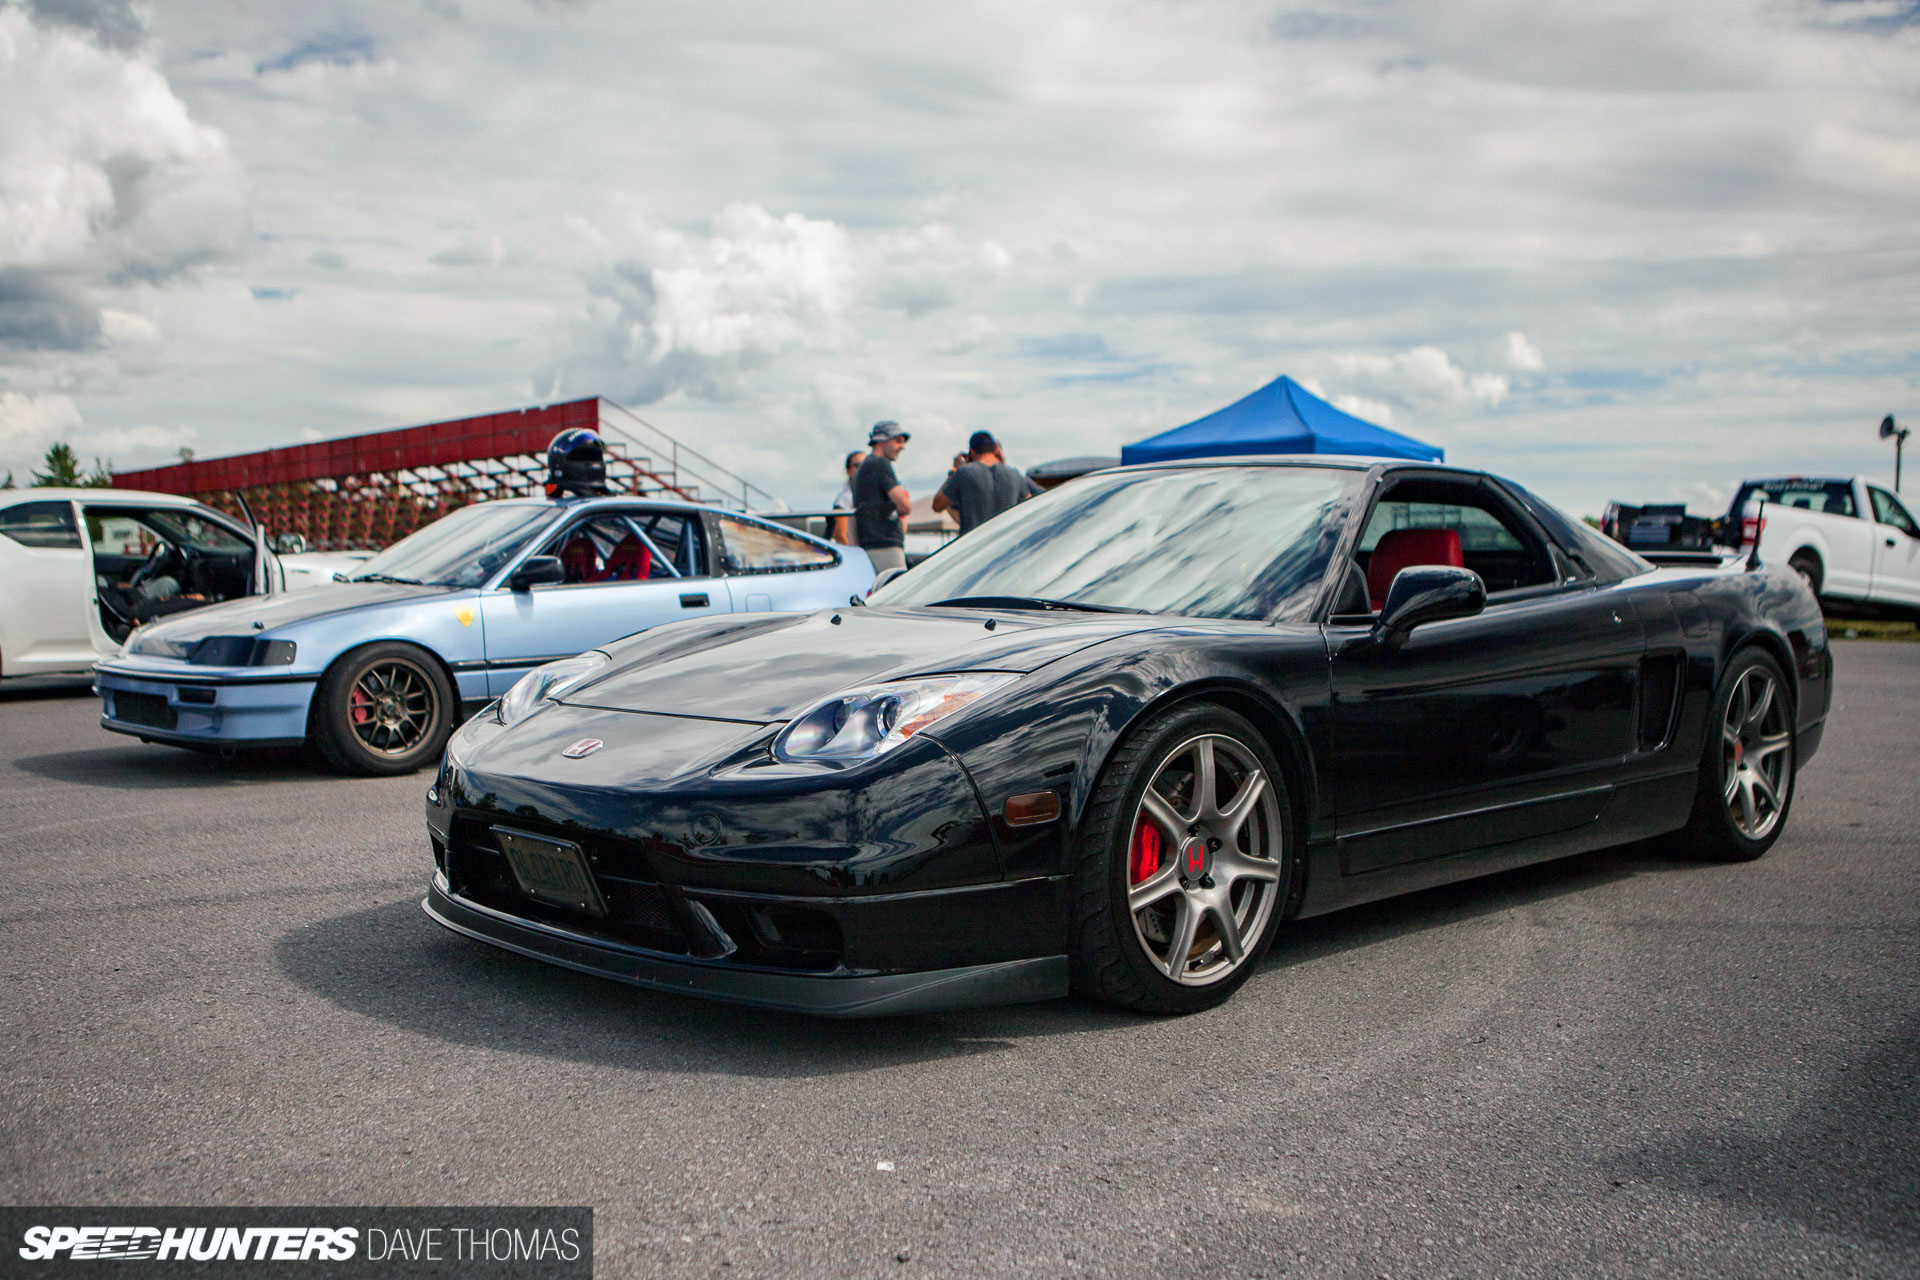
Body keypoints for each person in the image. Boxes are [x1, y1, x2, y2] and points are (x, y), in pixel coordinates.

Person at [932, 430, 1042, 534]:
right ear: (996, 450)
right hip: (1006, 547)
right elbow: (1030, 507)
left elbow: (937, 505)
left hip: (974, 547)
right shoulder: (1015, 475)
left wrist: (954, 471)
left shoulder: (963, 473)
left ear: (972, 452)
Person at [851, 422, 912, 576]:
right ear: (881, 441)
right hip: (886, 546)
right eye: (897, 440)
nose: (902, 446)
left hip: (872, 545)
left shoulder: (865, 466)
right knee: (897, 595)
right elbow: (905, 506)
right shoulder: (880, 464)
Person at [831, 449, 865, 545]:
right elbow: (840, 535)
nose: (862, 468)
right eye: (857, 465)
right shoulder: (844, 499)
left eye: (865, 464)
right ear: (848, 471)